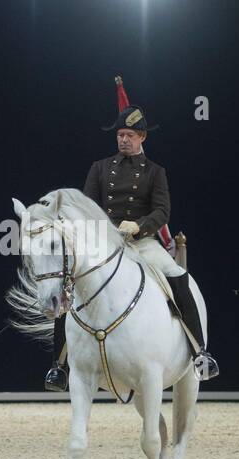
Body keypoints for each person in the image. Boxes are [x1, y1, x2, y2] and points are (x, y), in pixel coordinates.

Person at [43, 75, 218, 391]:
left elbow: (162, 210)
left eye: (129, 135)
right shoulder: (99, 168)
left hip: (143, 244)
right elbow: (86, 207)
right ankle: (59, 365)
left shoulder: (155, 172)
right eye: (120, 135)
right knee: (70, 282)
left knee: (177, 275)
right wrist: (104, 231)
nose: (123, 140)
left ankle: (200, 353)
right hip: (105, 245)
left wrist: (140, 226)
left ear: (142, 138)